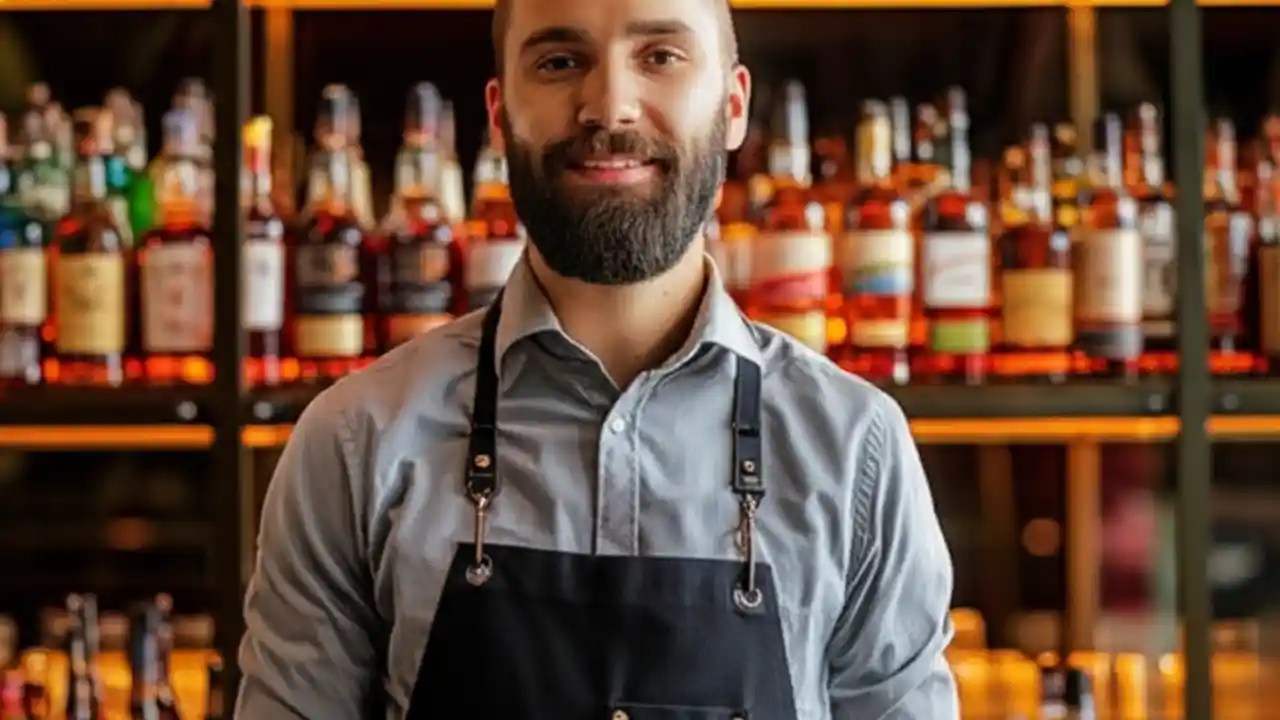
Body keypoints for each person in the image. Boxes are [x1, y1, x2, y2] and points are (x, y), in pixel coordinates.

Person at [235, 0, 959, 717]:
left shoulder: (855, 449)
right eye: (560, 62)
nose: (609, 107)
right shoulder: (355, 441)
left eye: (661, 57)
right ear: (499, 115)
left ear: (733, 104)